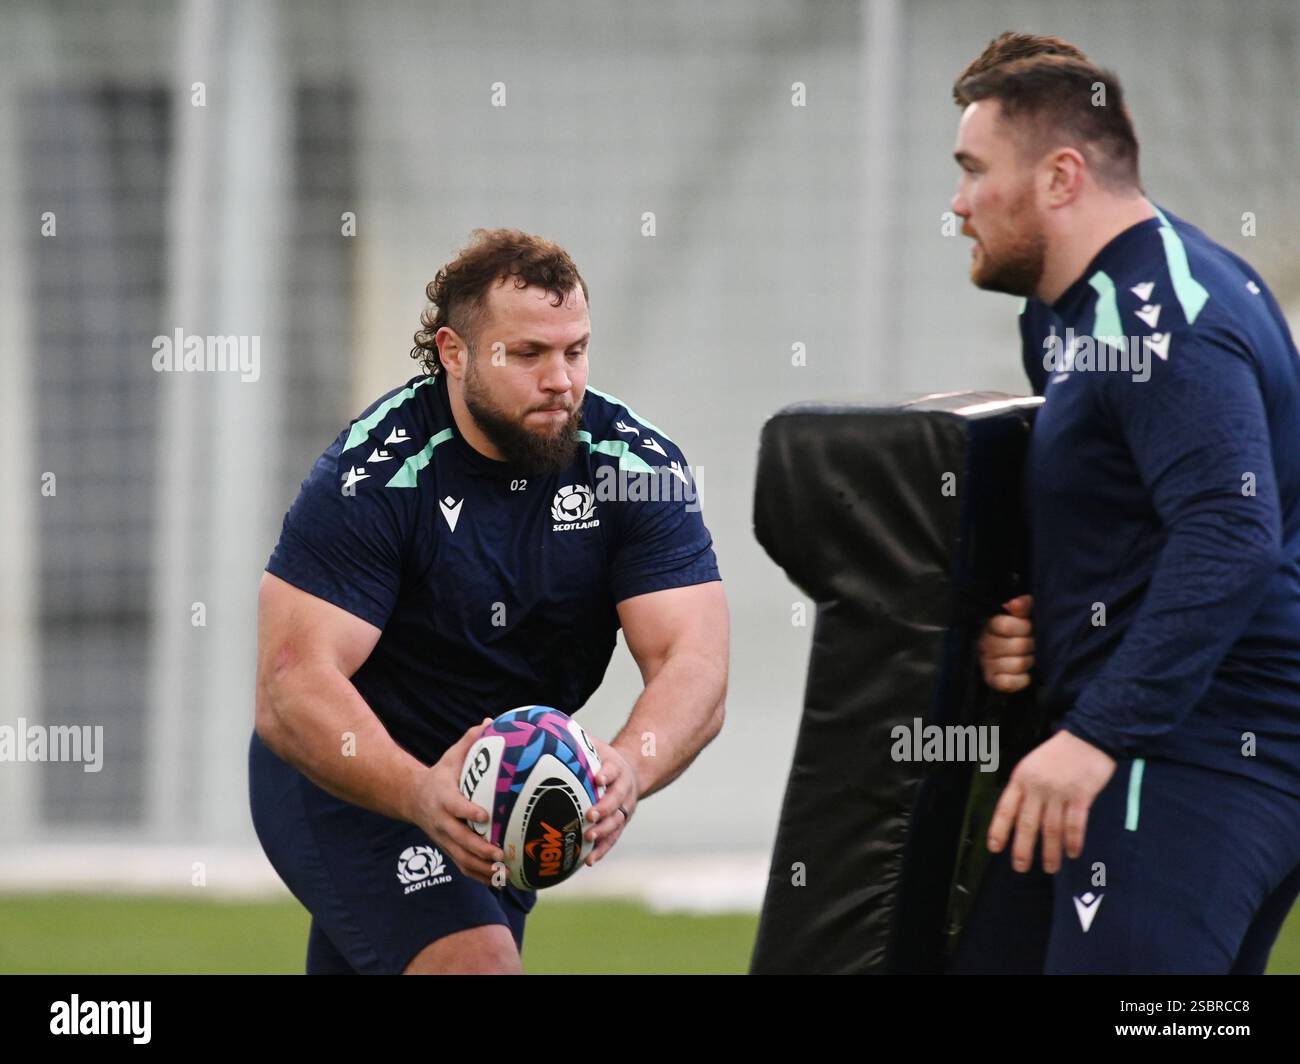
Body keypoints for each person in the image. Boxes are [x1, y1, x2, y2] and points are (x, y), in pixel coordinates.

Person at [248, 228, 729, 974]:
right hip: (353, 777)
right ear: (454, 353)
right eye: (528, 354)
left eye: (575, 350)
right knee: (479, 965)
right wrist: (416, 792)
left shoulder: (634, 466)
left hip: (505, 791)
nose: (560, 380)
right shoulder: (376, 473)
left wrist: (632, 765)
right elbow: (291, 684)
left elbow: (693, 658)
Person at [949, 52, 1300, 973]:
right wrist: (1032, 622)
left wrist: (1100, 733)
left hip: (1192, 754)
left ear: (1060, 175)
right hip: (1128, 749)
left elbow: (1231, 534)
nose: (957, 206)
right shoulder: (1065, 314)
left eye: (974, 171)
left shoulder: (1165, 323)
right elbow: (1114, 513)